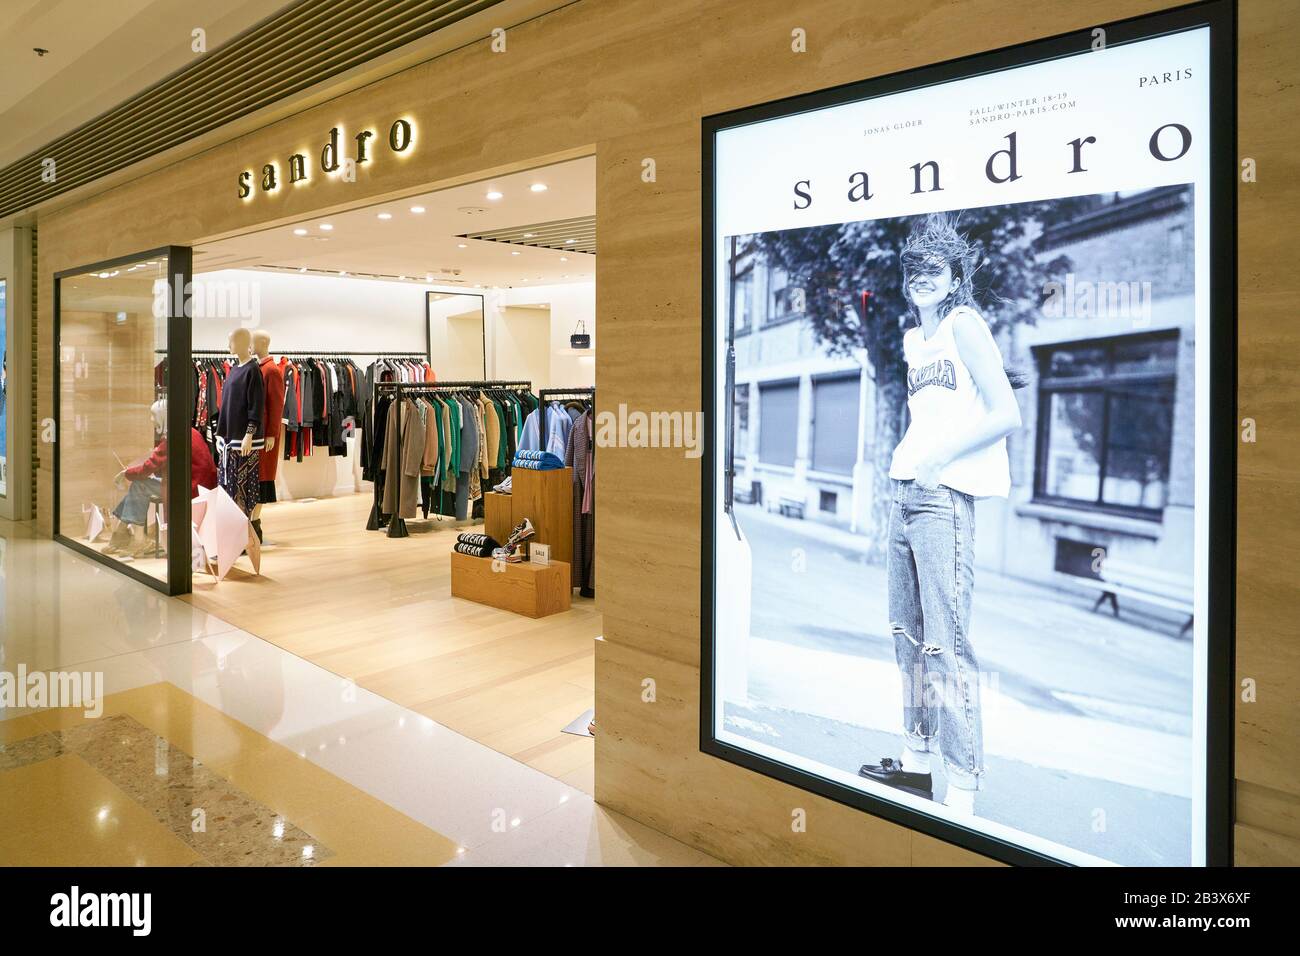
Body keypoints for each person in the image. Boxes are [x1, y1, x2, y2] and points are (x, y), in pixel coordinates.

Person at [857, 214, 1022, 817]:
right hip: (905, 492)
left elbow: (1007, 413)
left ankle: (965, 792)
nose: (923, 278)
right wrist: (906, 466)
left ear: (954, 278)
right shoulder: (912, 340)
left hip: (943, 497)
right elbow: (926, 419)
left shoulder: (964, 326)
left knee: (946, 645)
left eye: (936, 269)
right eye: (915, 270)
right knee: (907, 636)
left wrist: (938, 461)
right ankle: (918, 768)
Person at [105, 408, 218, 559]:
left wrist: (126, 473)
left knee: (139, 485)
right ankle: (123, 530)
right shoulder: (189, 431)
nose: (151, 420)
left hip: (187, 489)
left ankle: (136, 538)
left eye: (153, 416)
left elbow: (147, 468)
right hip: (194, 485)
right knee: (139, 484)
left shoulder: (172, 438)